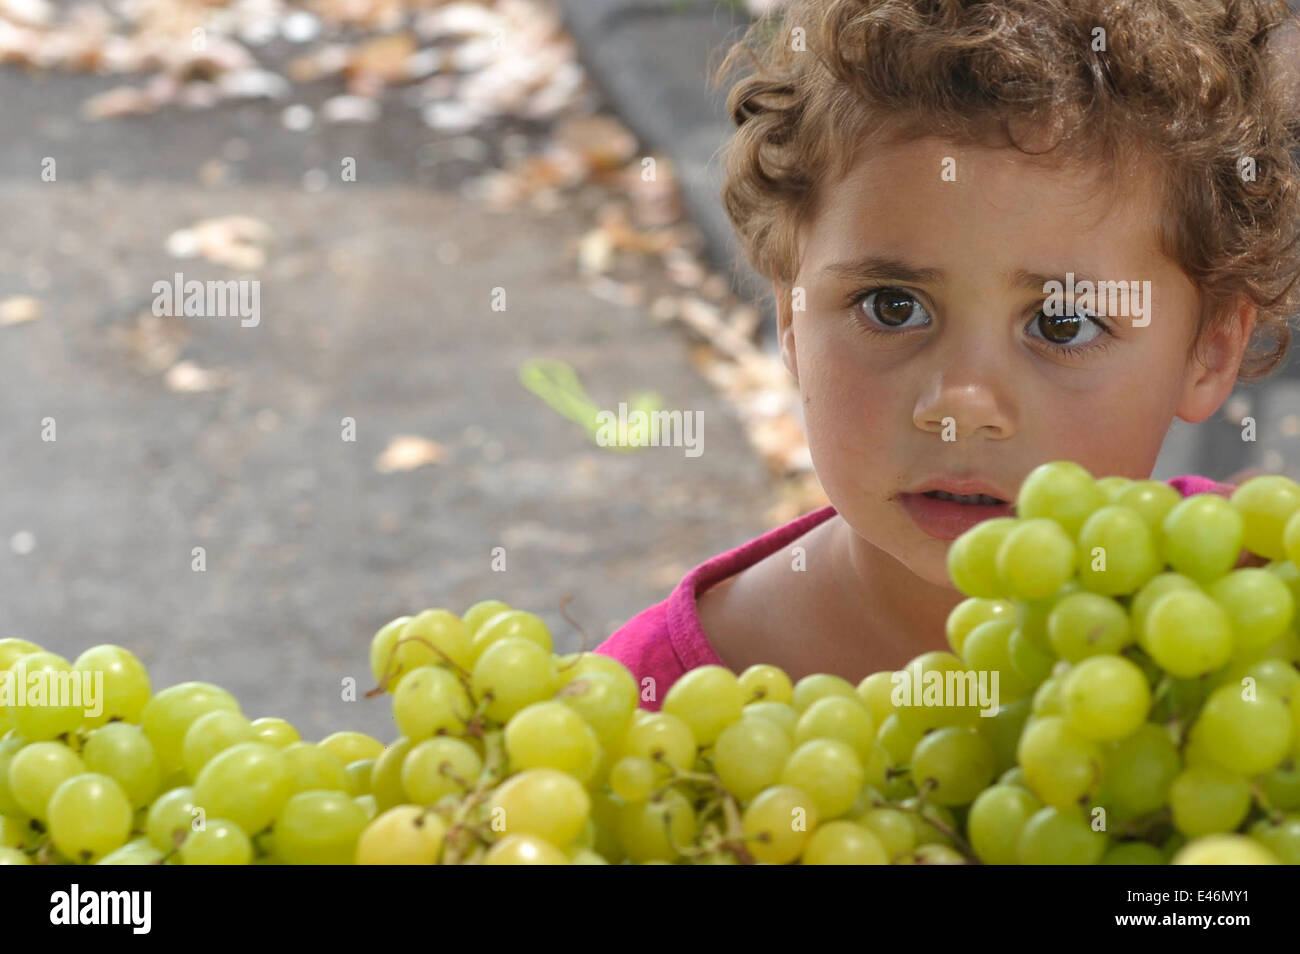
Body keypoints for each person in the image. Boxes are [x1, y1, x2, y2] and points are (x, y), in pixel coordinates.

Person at [594, 0, 1300, 710]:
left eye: (1062, 326)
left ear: (1210, 352)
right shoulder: (645, 714)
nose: (961, 403)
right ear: (791, 314)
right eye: (892, 306)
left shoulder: (1261, 622)